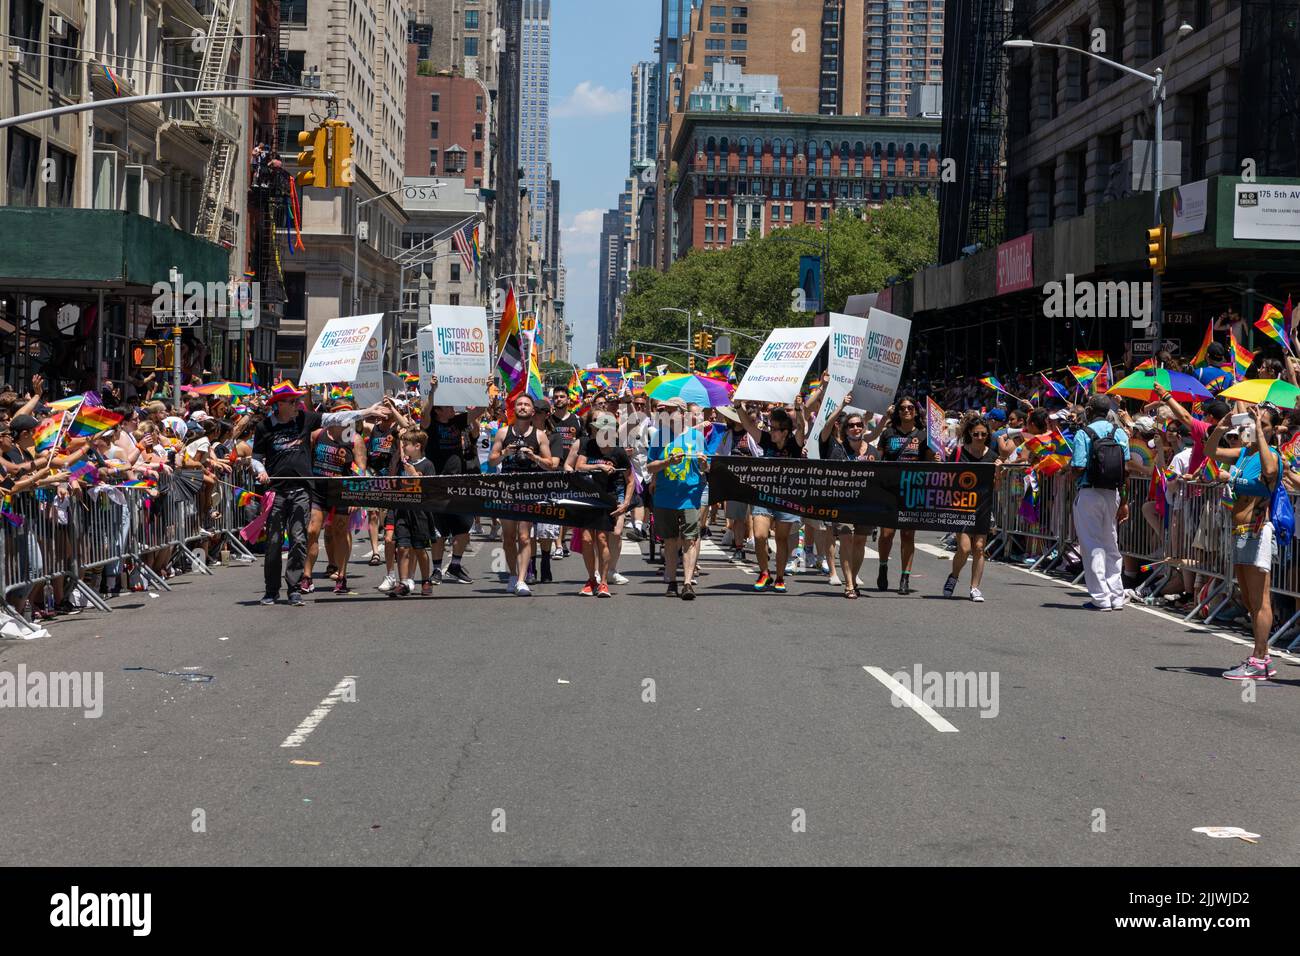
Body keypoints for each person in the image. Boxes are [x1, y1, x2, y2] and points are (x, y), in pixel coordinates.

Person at [251, 381, 389, 606]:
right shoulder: (264, 427)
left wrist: (367, 411)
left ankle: (294, 588)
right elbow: (256, 458)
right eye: (292, 401)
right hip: (276, 491)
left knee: (299, 539)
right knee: (275, 542)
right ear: (279, 405)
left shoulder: (306, 420)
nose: (297, 404)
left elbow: (335, 419)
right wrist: (262, 471)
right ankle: (271, 590)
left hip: (302, 490)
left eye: (297, 400)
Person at [1204, 404, 1282, 679]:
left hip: (1258, 531)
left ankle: (1258, 660)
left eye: (1264, 424)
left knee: (1261, 600)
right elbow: (1210, 452)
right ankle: (1264, 656)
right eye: (1254, 423)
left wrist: (1260, 432)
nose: (1256, 427)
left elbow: (1270, 474)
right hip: (1240, 532)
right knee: (1249, 599)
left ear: (1274, 430)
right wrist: (1222, 428)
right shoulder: (1244, 455)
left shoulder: (1270, 454)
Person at [488, 394, 557, 595]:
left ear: (533, 411)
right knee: (508, 537)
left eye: (527, 404)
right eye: (519, 404)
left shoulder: (540, 435)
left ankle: (522, 579)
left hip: (529, 490)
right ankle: (512, 575)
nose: (523, 407)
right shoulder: (503, 432)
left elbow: (551, 464)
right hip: (508, 490)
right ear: (514, 409)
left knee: (525, 537)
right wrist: (505, 454)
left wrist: (533, 456)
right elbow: (492, 461)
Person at [1070, 395, 1131, 611]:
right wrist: (1124, 501)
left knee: (1091, 544)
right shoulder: (1120, 433)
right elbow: (1126, 470)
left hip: (1089, 492)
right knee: (1110, 544)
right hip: (1112, 493)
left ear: (1089, 410)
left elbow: (1078, 466)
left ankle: (1100, 598)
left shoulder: (1083, 433)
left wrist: (1066, 474)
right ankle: (1116, 596)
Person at [420, 376, 480, 585]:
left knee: (463, 527)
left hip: (459, 483)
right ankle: (436, 569)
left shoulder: (457, 421)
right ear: (439, 409)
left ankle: (455, 565)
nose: (453, 408)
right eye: (449, 405)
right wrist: (433, 391)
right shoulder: (430, 423)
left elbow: (479, 411)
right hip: (436, 483)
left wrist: (484, 386)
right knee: (439, 530)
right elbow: (424, 413)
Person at [646, 404, 709, 599]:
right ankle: (672, 582)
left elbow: (706, 467)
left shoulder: (696, 436)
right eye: (665, 411)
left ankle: (687, 583)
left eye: (672, 410)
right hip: (665, 497)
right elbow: (650, 467)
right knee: (671, 541)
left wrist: (704, 463)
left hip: (690, 495)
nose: (667, 414)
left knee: (690, 539)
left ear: (682, 413)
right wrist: (667, 462)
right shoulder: (660, 436)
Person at [875, 397, 936, 594]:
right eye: (903, 408)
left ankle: (904, 577)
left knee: (908, 535)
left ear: (916, 412)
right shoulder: (888, 433)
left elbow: (929, 464)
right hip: (889, 489)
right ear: (898, 412)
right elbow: (878, 459)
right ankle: (883, 567)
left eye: (910, 408)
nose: (907, 411)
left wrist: (935, 458)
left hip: (913, 490)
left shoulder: (924, 435)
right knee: (886, 534)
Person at [574, 413, 634, 597]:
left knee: (601, 539)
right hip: (587, 496)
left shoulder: (619, 452)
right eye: (597, 429)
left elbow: (630, 480)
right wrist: (598, 467)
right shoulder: (588, 445)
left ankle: (603, 582)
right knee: (586, 539)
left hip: (608, 498)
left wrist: (625, 504)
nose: (599, 432)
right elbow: (579, 466)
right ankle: (591, 579)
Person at [943, 414, 1000, 602]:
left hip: (983, 507)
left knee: (979, 547)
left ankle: (975, 588)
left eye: (983, 434)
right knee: (965, 548)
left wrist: (998, 472)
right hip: (961, 506)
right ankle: (954, 576)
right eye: (976, 434)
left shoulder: (992, 456)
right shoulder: (959, 453)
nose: (980, 437)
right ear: (969, 433)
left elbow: (997, 487)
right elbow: (947, 478)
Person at [825, 410, 876, 598]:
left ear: (864, 428)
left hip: (866, 505)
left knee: (860, 542)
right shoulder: (838, 450)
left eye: (859, 425)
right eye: (851, 425)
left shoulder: (873, 451)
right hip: (843, 504)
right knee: (846, 539)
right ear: (845, 429)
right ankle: (848, 584)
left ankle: (853, 579)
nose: (856, 428)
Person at [388, 430, 437, 597]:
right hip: (402, 510)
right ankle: (403, 582)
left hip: (420, 513)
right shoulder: (402, 463)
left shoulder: (427, 465)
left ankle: (425, 580)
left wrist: (414, 475)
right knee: (402, 547)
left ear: (417, 446)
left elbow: (431, 490)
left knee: (419, 548)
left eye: (406, 445)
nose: (403, 447)